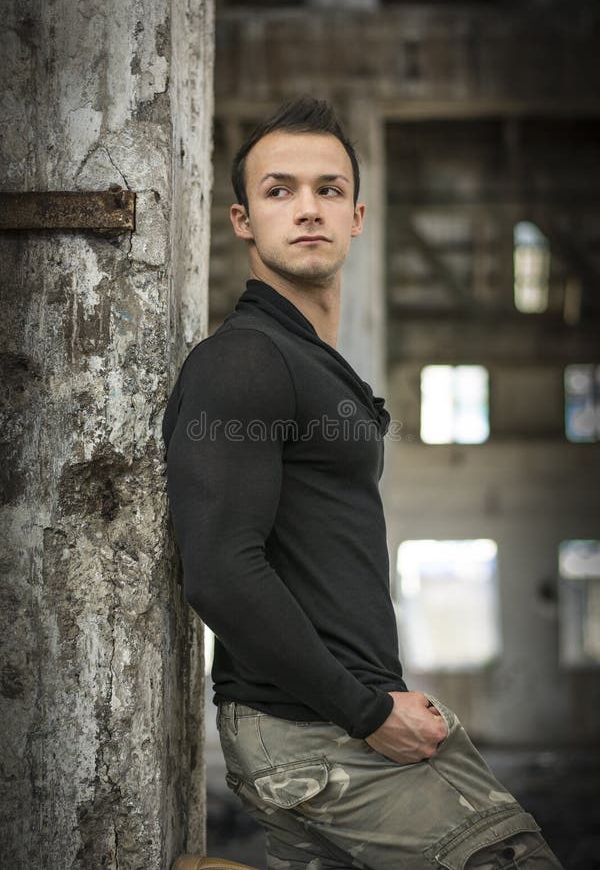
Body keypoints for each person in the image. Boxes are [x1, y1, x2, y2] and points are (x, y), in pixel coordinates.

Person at [162, 98, 564, 870]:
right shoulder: (244, 362)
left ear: (357, 215)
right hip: (313, 728)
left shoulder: (313, 363)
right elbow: (219, 570)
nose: (307, 208)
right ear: (243, 221)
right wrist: (369, 712)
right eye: (280, 191)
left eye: (329, 189)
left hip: (335, 718)